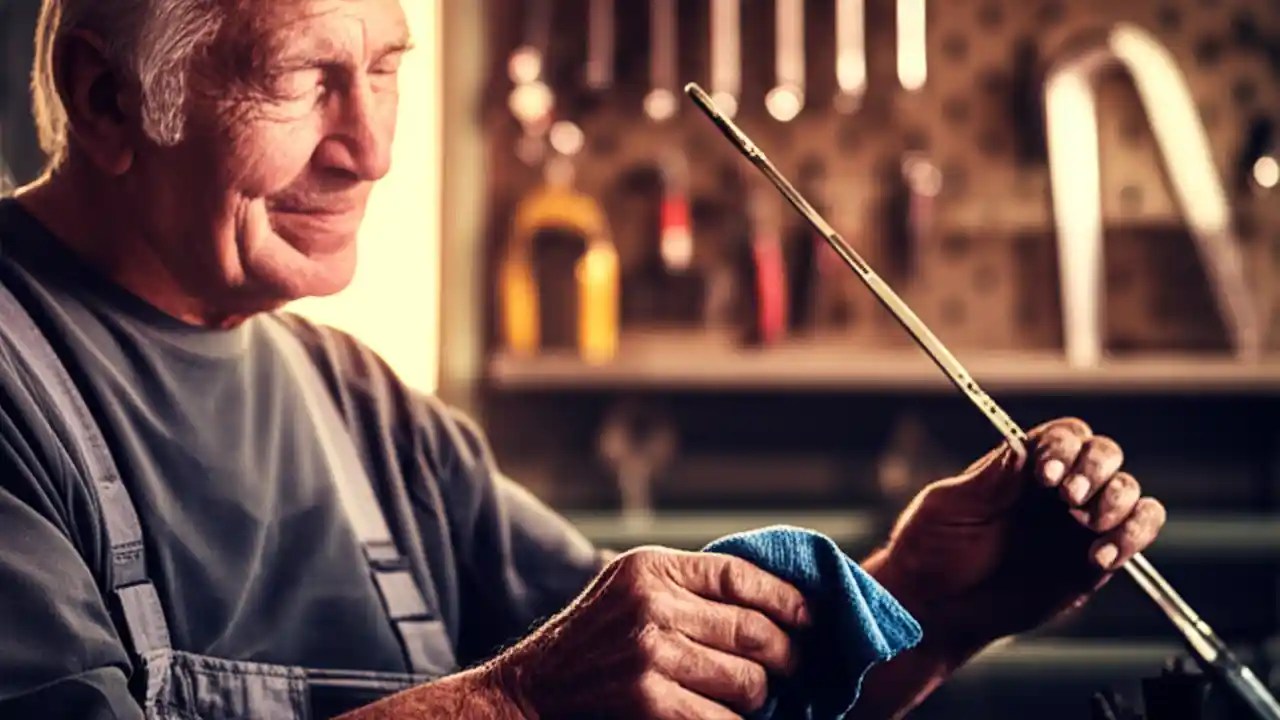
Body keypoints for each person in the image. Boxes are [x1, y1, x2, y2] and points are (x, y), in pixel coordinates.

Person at [0, 1, 1167, 718]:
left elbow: (665, 696)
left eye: (389, 67)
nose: (371, 149)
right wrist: (514, 705)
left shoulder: (364, 412)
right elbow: (563, 694)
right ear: (106, 99)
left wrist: (922, 605)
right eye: (302, 78)